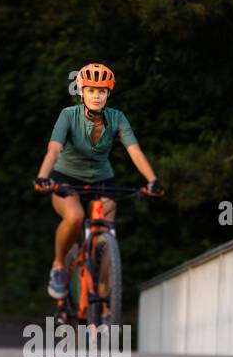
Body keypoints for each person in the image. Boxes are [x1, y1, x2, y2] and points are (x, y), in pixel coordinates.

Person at [34, 62, 163, 300]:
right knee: (75, 217)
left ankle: (103, 311)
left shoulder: (117, 118)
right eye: (91, 90)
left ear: (108, 93)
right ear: (81, 91)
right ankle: (59, 266)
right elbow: (53, 150)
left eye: (102, 91)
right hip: (66, 179)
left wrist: (152, 179)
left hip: (102, 181)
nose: (96, 95)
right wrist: (43, 176)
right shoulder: (68, 115)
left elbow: (134, 151)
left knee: (107, 238)